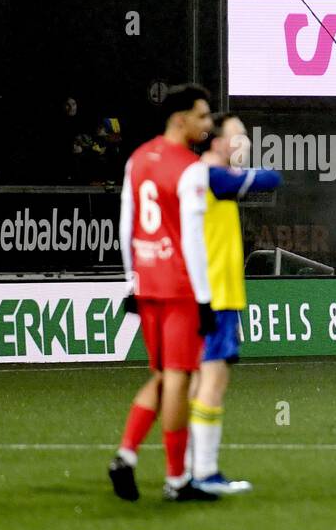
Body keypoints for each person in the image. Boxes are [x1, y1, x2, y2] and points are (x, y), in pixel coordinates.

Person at [108, 84, 218, 502]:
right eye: (202, 116)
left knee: (160, 376)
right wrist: (205, 300)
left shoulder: (138, 158)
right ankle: (176, 480)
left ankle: (126, 456)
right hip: (178, 288)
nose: (208, 124)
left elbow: (126, 223)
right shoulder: (191, 168)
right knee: (178, 378)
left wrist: (130, 281)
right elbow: (192, 239)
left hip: (147, 282)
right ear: (180, 118)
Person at [186, 113, 282, 494]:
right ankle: (203, 473)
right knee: (212, 381)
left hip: (218, 294)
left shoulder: (207, 176)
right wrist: (247, 167)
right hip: (214, 297)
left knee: (201, 382)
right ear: (217, 141)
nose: (244, 141)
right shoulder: (210, 176)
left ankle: (192, 470)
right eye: (238, 136)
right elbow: (272, 178)